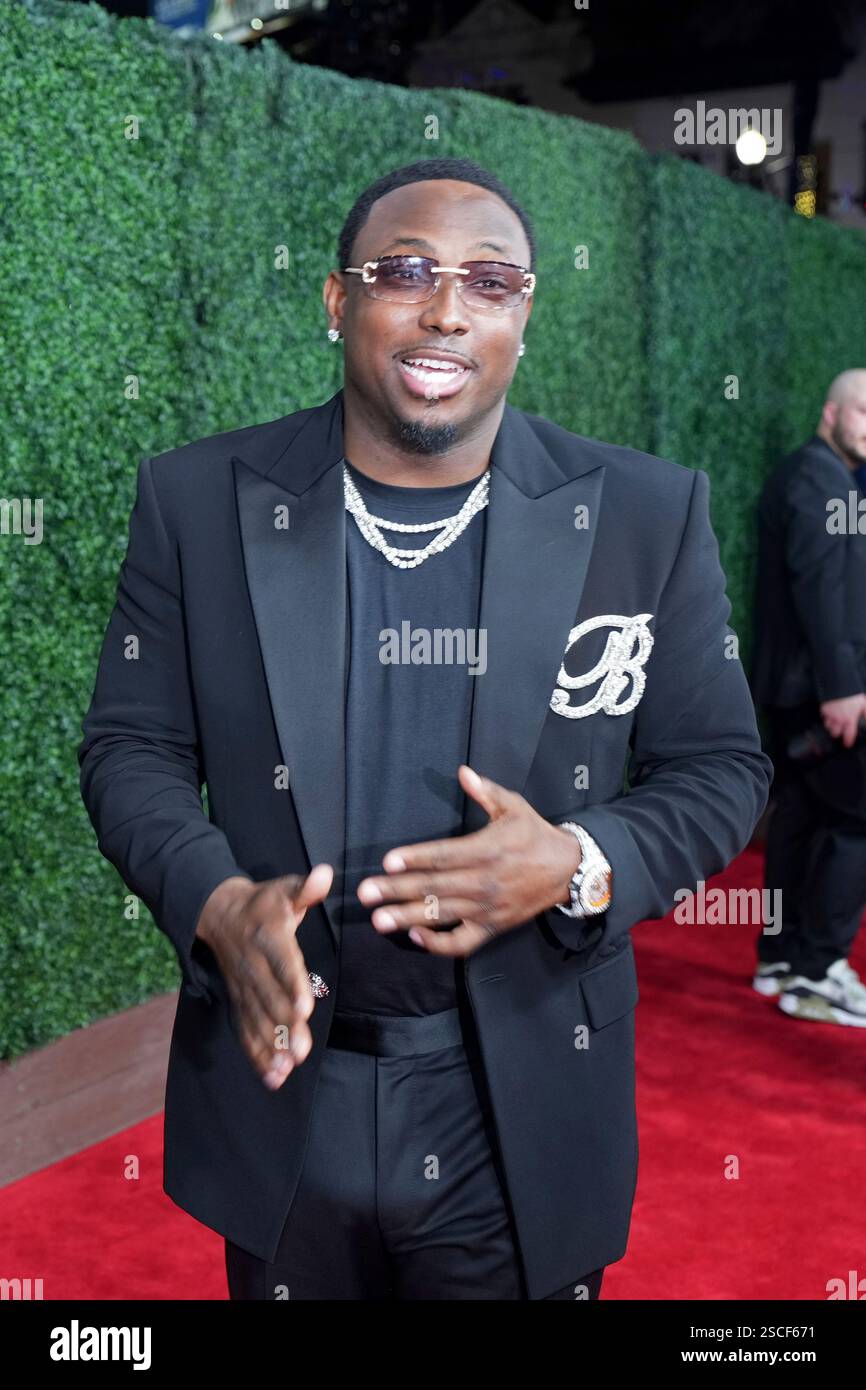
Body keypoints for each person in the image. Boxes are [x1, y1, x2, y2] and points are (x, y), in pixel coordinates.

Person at [78, 156, 771, 1300]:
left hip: (522, 1108)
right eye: (404, 271)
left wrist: (580, 861)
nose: (447, 307)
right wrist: (213, 898)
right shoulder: (196, 501)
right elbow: (130, 748)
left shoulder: (646, 513)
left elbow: (719, 767)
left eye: (489, 281)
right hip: (280, 1081)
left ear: (523, 312)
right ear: (338, 300)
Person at [751, 369, 866, 1025]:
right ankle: (820, 972)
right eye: (864, 413)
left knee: (800, 816)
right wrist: (845, 689)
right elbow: (823, 594)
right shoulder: (818, 479)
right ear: (831, 412)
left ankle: (782, 959)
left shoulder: (823, 475)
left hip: (801, 688)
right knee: (855, 821)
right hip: (821, 691)